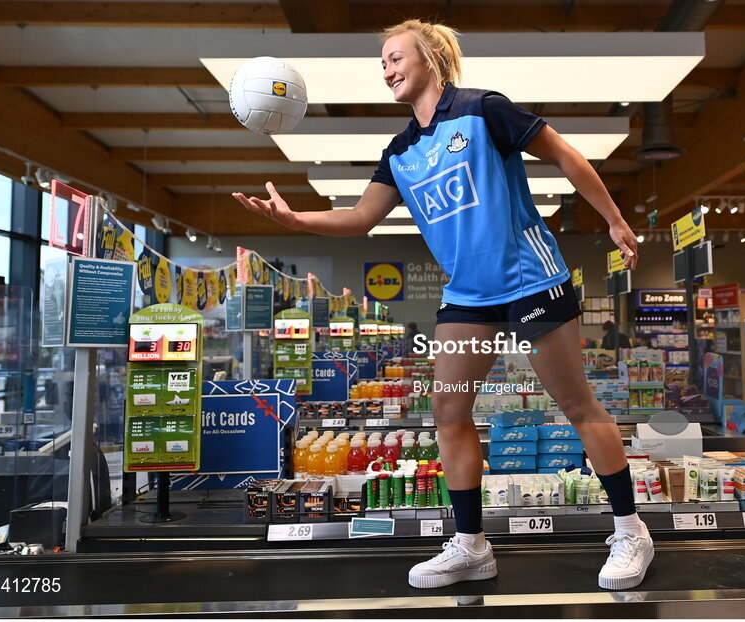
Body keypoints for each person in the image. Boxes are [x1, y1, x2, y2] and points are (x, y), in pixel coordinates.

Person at [233, 19, 652, 591]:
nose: (387, 70)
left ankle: (630, 531)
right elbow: (359, 218)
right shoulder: (402, 149)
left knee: (578, 406)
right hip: (467, 297)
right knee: (448, 415)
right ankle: (471, 546)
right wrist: (293, 219)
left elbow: (566, 156)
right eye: (381, 63)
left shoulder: (484, 109)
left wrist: (614, 219)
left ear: (430, 55)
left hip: (532, 280)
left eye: (395, 57)